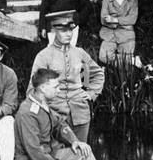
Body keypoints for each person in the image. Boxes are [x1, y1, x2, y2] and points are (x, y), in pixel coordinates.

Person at [32, 8, 105, 142]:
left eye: (70, 30)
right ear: (54, 31)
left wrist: (91, 93)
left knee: (81, 153)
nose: (68, 34)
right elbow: (33, 87)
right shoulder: (44, 55)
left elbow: (98, 73)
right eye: (63, 30)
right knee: (59, 156)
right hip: (55, 114)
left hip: (80, 113)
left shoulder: (79, 53)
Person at [98, 0, 139, 65]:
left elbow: (132, 19)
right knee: (103, 57)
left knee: (126, 69)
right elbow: (103, 19)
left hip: (126, 35)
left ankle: (126, 68)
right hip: (109, 34)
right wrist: (123, 22)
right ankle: (132, 61)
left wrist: (114, 19)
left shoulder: (132, 0)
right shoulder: (107, 0)